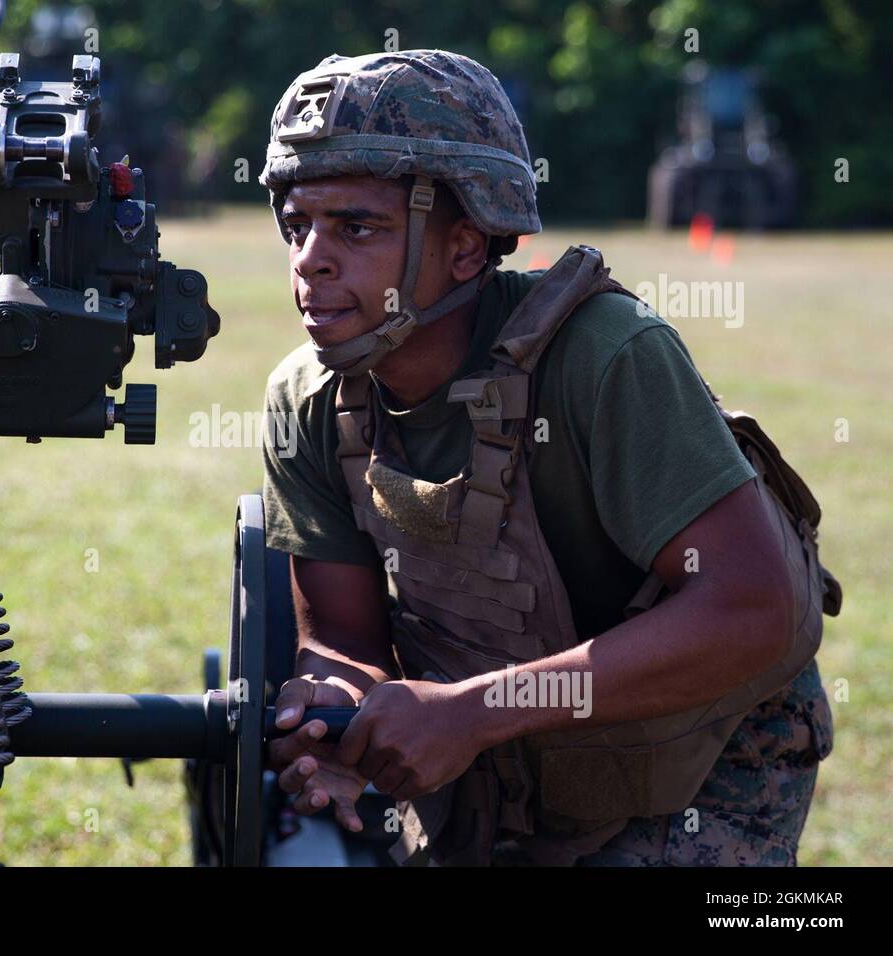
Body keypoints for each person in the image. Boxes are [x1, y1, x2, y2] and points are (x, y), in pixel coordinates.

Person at [258, 49, 838, 866]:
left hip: (694, 768)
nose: (310, 259)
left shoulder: (603, 357)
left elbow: (751, 608)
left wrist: (469, 712)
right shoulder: (309, 400)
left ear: (466, 248)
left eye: (357, 227)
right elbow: (344, 634)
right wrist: (333, 706)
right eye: (298, 226)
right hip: (494, 767)